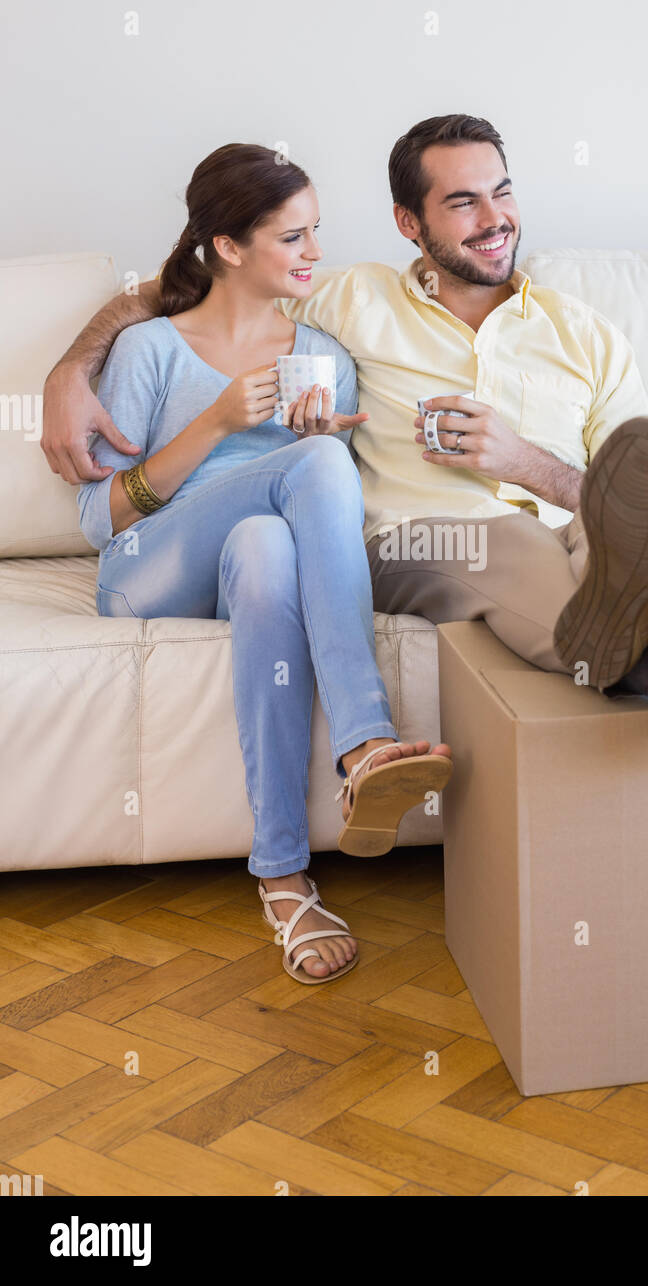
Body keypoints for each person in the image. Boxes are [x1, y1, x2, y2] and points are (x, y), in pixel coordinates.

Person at [43, 115, 648, 778]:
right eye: (462, 201)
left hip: (573, 535)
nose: (494, 217)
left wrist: (528, 465)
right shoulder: (352, 300)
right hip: (415, 541)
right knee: (507, 540)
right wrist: (71, 369)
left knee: (604, 528)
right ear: (409, 223)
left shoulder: (585, 335)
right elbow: (207, 282)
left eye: (502, 191)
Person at [70, 142, 452, 986]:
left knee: (269, 544)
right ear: (230, 247)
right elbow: (100, 520)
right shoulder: (151, 349)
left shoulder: (323, 353)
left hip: (249, 568)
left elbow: (321, 519)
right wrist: (213, 425)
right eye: (293, 237)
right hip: (147, 569)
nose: (316, 252)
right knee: (309, 471)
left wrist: (319, 451)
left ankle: (283, 878)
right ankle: (367, 743)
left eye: (317, 232)